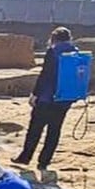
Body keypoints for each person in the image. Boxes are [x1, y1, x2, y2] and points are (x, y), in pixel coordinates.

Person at [13, 27, 78, 171]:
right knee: (54, 131)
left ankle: (25, 157)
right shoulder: (76, 53)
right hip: (64, 99)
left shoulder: (53, 52)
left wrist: (35, 94)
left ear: (53, 38)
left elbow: (45, 75)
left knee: (35, 129)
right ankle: (44, 162)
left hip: (47, 98)